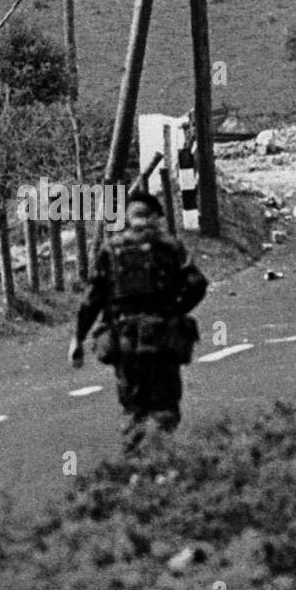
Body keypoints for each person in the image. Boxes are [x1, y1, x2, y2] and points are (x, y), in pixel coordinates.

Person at [69, 190, 208, 450]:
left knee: (133, 407)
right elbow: (196, 283)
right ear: (154, 217)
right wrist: (176, 309)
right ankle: (165, 463)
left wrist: (77, 339)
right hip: (163, 338)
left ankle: (135, 463)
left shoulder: (111, 249)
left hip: (125, 340)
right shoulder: (169, 246)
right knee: (165, 405)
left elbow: (92, 299)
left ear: (128, 216)